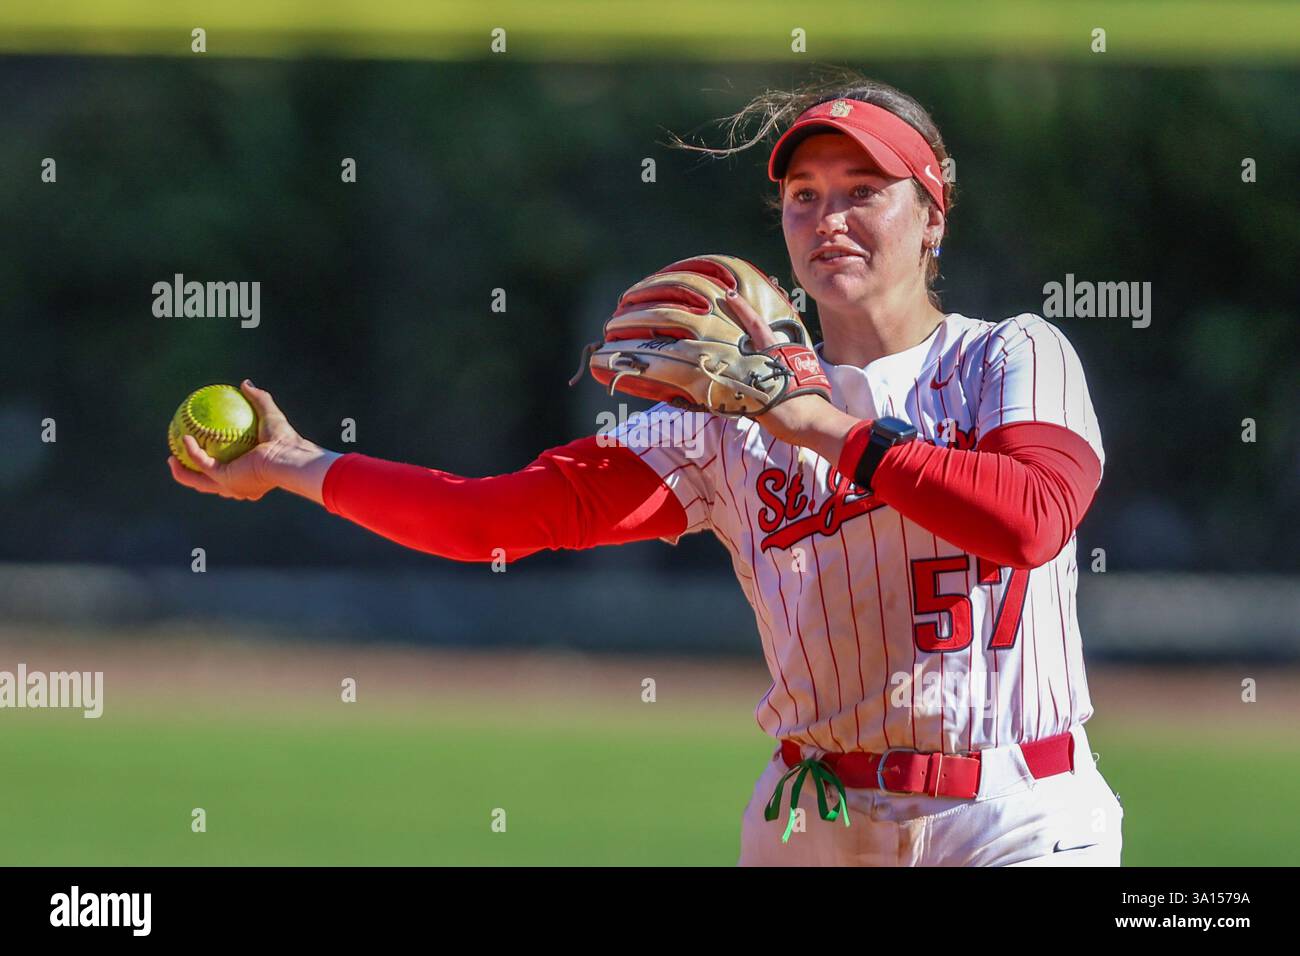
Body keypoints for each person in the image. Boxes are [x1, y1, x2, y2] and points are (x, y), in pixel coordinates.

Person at [169, 69, 1123, 867]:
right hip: (818, 818)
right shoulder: (726, 412)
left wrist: (816, 423)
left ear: (931, 216)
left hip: (1018, 811)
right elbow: (489, 520)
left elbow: (1030, 518)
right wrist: (297, 463)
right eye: (804, 195)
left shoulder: (1011, 357)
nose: (829, 216)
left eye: (863, 188)